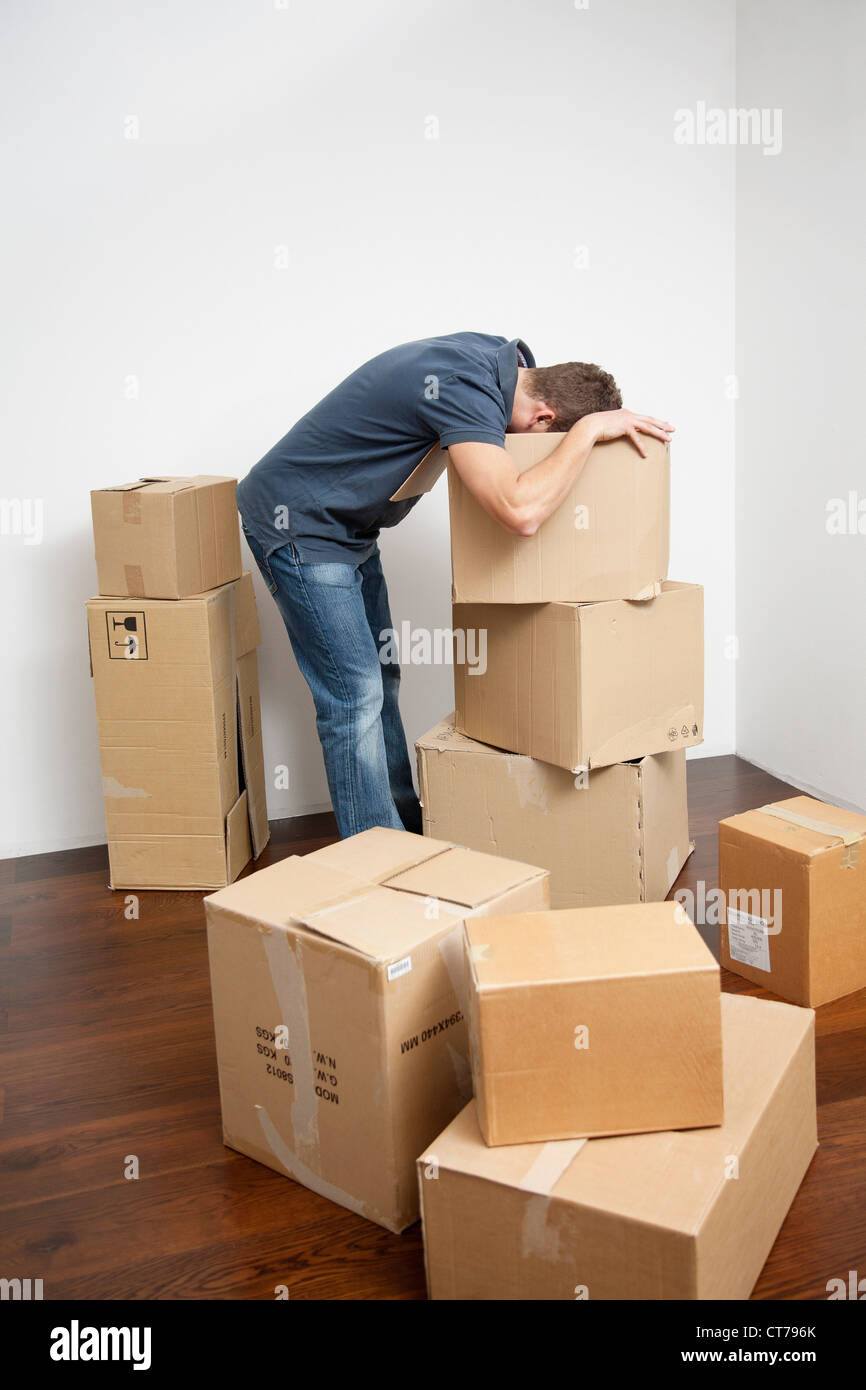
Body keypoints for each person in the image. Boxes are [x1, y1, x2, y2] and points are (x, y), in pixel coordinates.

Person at [237, 332, 674, 838]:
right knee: (353, 697)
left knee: (382, 679)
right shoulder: (465, 387)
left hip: (346, 528)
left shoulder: (501, 365)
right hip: (299, 526)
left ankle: (403, 826)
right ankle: (376, 858)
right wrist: (588, 432)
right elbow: (520, 511)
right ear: (544, 420)